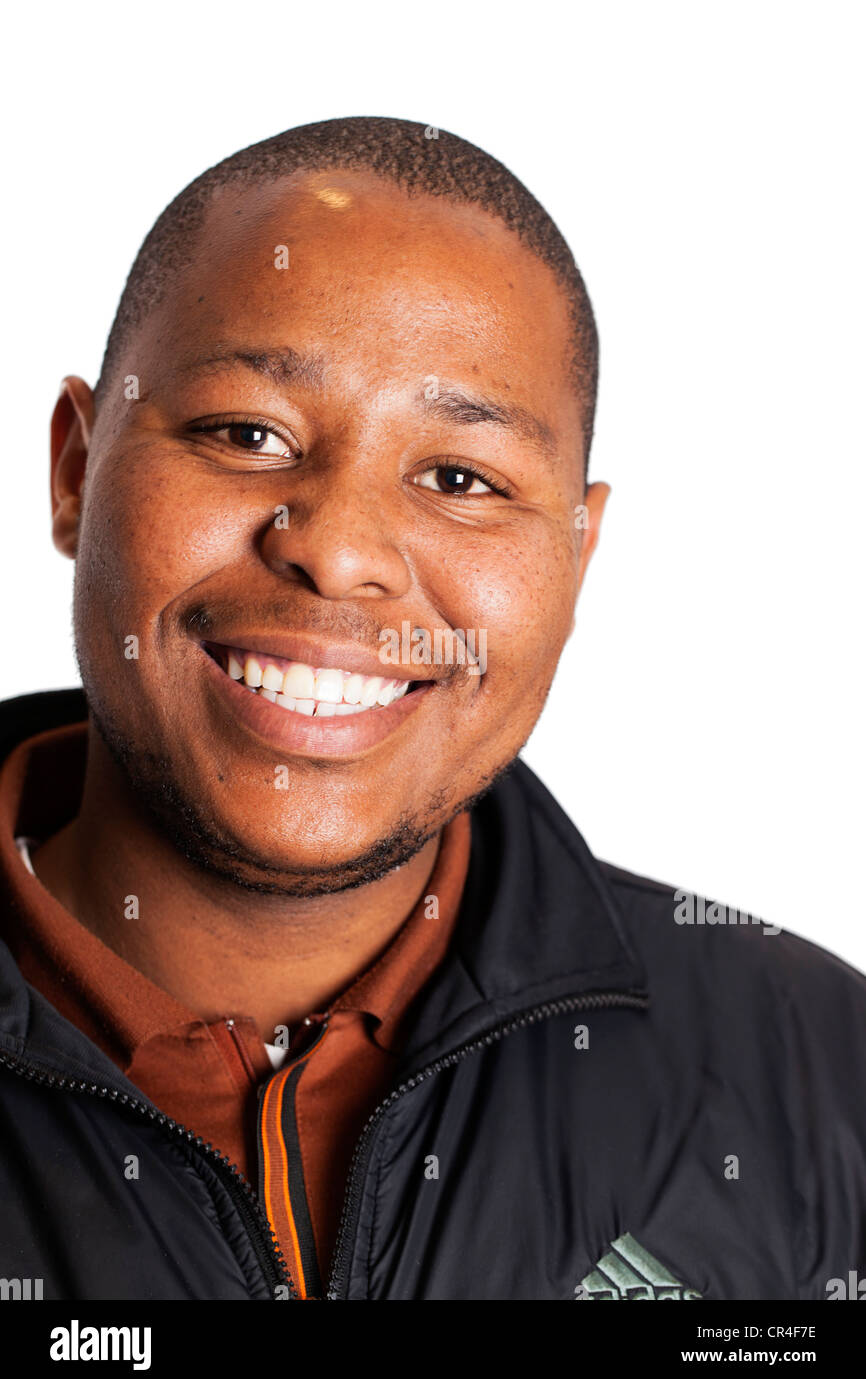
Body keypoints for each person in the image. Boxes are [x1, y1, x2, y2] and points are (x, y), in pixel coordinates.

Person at [1, 116, 863, 1302]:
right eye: (245, 433)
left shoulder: (817, 1069)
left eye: (459, 479)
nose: (341, 551)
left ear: (575, 553)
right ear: (75, 470)